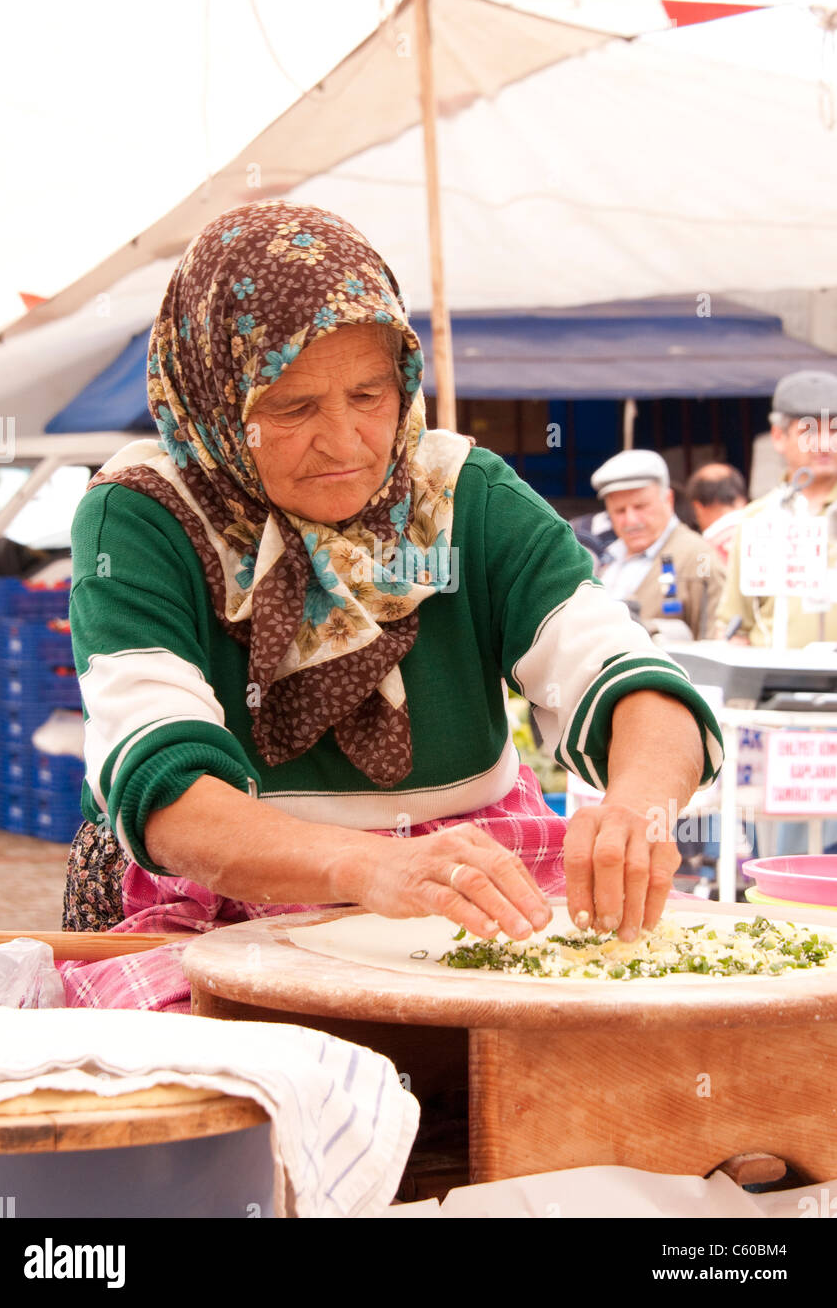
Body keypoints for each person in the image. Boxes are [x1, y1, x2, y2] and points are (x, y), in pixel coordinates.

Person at [60, 202, 722, 1012]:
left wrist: (635, 806)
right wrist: (367, 865)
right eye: (293, 408)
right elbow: (165, 790)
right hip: (222, 892)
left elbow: (624, 672)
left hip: (471, 860)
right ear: (217, 398)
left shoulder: (461, 493)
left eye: (370, 394)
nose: (345, 443)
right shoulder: (142, 516)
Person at [717, 370, 837, 646]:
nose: (824, 443)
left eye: (834, 429)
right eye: (809, 430)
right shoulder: (757, 519)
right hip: (769, 683)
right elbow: (736, 627)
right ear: (779, 437)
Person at [590, 450, 725, 640]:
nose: (631, 520)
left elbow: (713, 647)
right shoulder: (603, 560)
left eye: (640, 507)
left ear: (668, 500)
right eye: (619, 511)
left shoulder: (699, 558)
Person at [686, 463, 747, 565]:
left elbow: (703, 579)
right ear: (742, 499)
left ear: (698, 508)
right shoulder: (770, 534)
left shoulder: (703, 552)